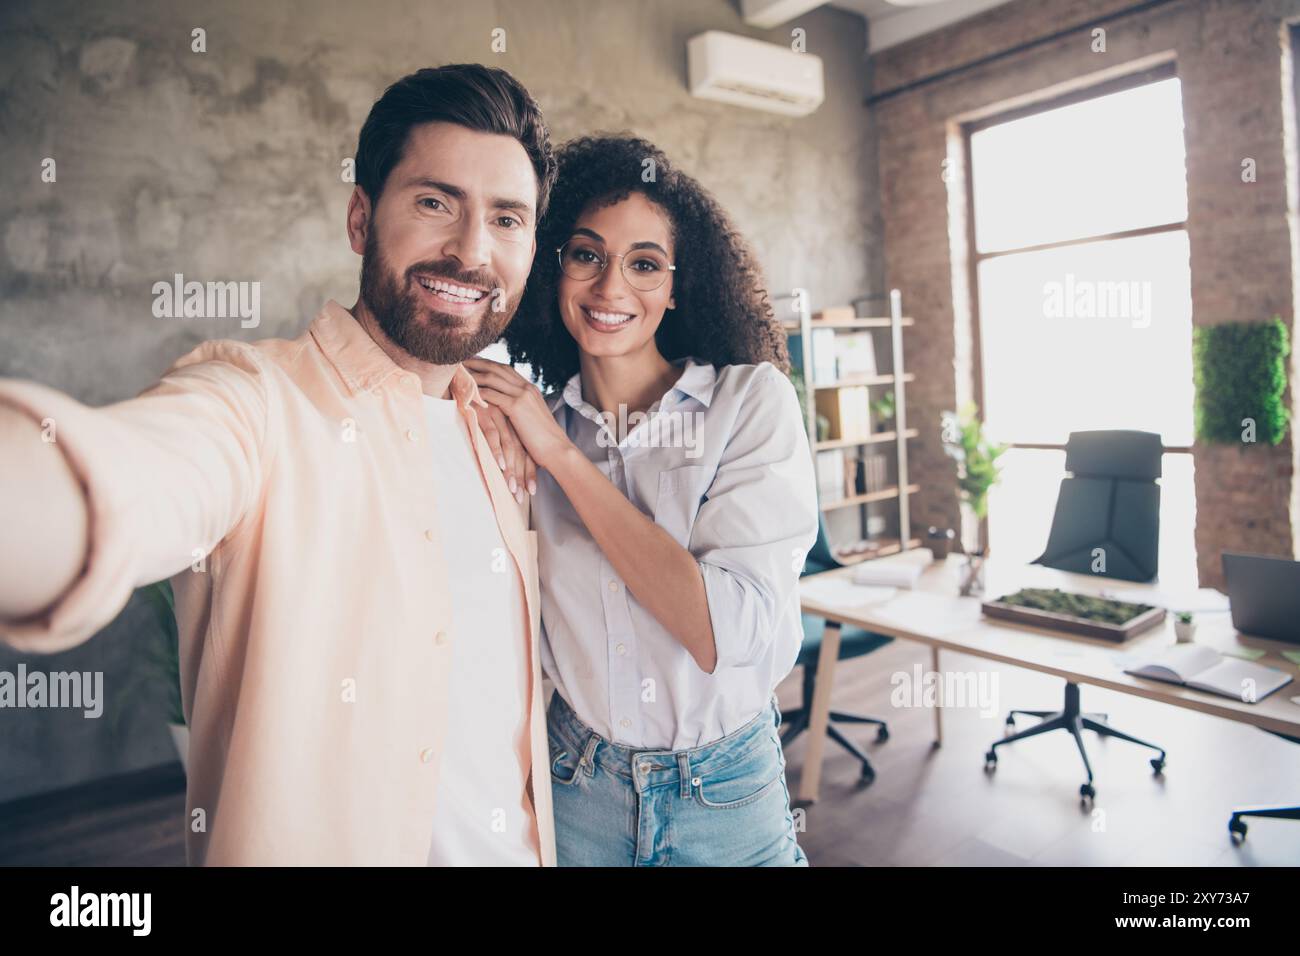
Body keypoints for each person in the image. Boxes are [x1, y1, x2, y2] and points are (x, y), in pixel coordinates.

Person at [0, 64, 559, 866]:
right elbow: (138, 471)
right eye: (435, 202)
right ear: (361, 218)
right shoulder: (257, 403)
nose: (472, 250)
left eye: (507, 218)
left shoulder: (501, 430)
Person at [465, 134, 819, 866]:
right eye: (587, 254)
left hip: (725, 792)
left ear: (677, 286)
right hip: (578, 783)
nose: (611, 288)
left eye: (645, 264)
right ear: (553, 264)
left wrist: (560, 458)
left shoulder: (749, 404)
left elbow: (723, 629)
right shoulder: (529, 424)